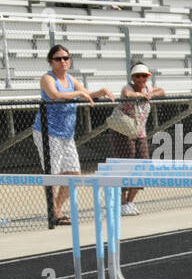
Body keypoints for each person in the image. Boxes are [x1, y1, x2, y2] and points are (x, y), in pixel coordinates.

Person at [32, 45, 114, 225]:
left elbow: (87, 93)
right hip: (48, 132)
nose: (63, 61)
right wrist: (78, 93)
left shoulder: (71, 79)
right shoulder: (47, 78)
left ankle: (56, 208)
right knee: (53, 174)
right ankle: (53, 213)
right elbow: (54, 95)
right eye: (58, 59)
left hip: (67, 134)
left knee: (74, 173)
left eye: (66, 58)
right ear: (51, 61)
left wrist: (101, 91)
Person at [107, 62, 165, 215]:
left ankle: (130, 202)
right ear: (132, 77)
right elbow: (127, 94)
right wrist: (138, 95)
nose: (141, 79)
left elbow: (161, 91)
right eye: (137, 76)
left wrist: (150, 94)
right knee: (126, 165)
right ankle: (122, 201)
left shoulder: (147, 88)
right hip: (124, 132)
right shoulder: (128, 88)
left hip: (140, 133)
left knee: (143, 165)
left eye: (144, 76)